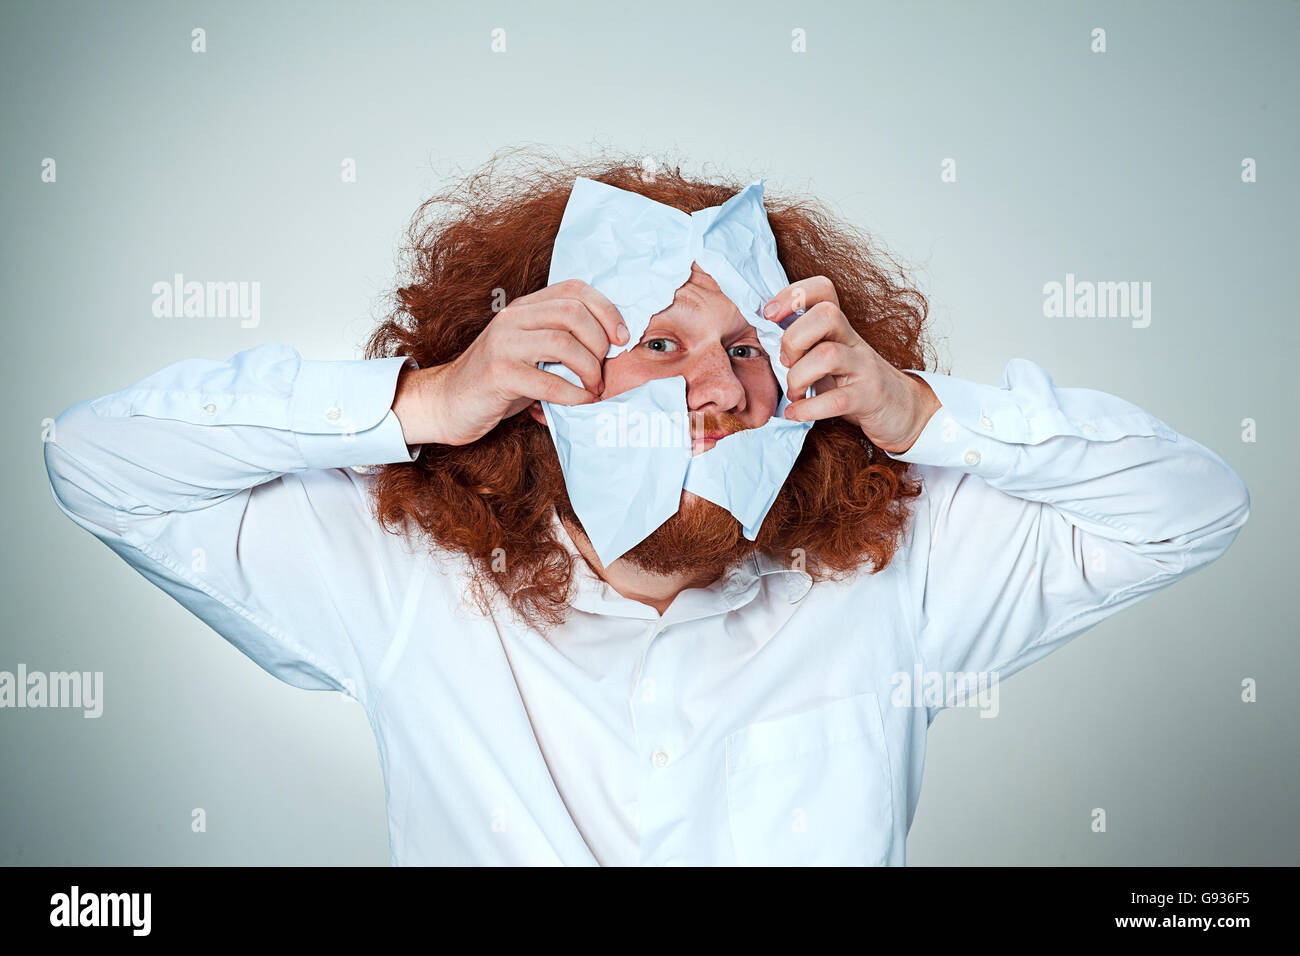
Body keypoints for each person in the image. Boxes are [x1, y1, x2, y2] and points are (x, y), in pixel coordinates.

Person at [42, 157, 1250, 866]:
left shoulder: (897, 576)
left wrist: (919, 415)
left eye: (746, 347)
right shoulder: (399, 575)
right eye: (657, 343)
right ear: (544, 366)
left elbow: (1192, 507)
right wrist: (427, 400)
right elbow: (97, 458)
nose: (716, 392)